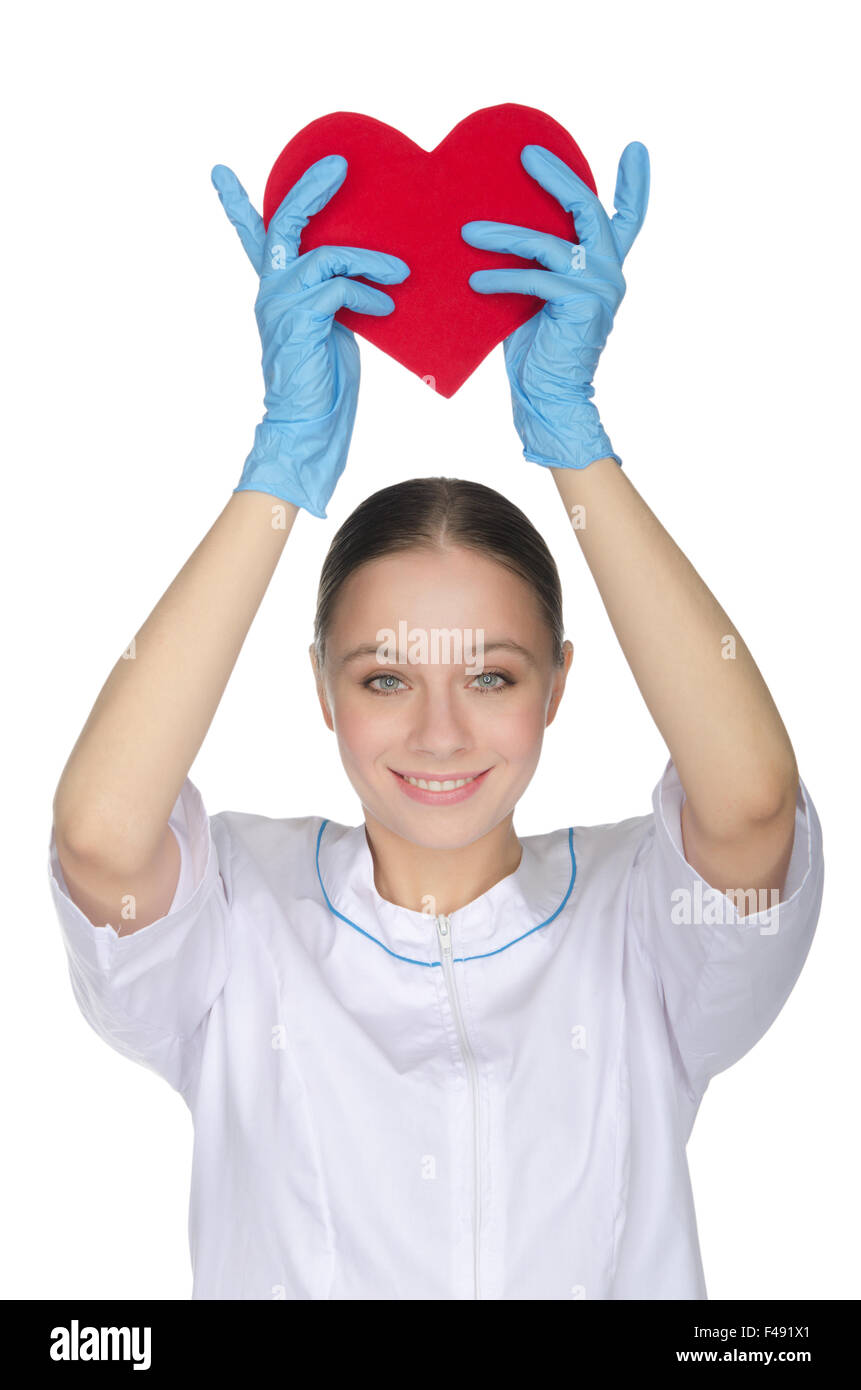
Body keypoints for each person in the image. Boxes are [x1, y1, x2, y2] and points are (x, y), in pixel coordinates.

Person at [47, 146, 823, 1300]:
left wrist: (576, 443)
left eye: (495, 677)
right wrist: (279, 475)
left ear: (560, 684)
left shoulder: (642, 928)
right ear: (320, 687)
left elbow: (754, 804)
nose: (442, 733)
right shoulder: (238, 914)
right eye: (384, 678)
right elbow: (100, 841)